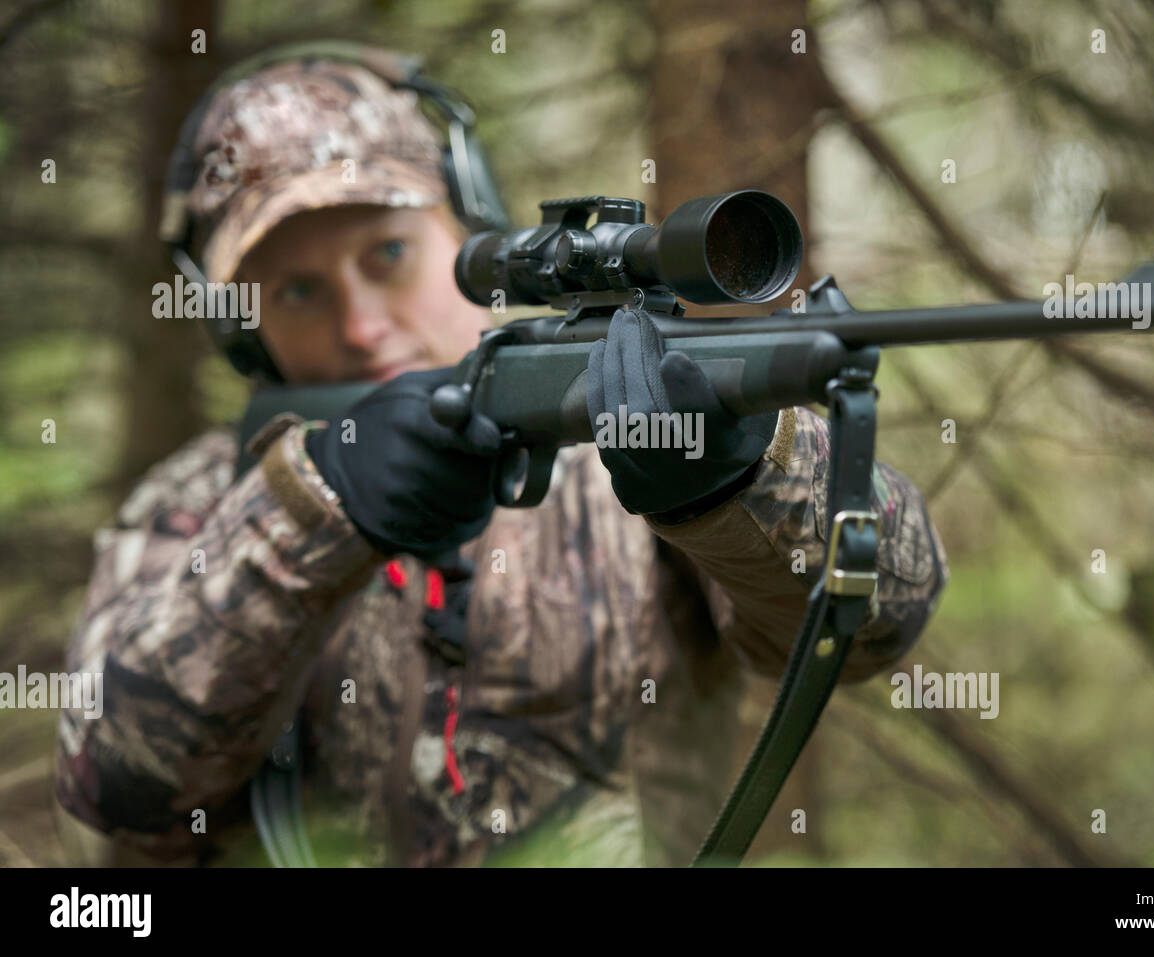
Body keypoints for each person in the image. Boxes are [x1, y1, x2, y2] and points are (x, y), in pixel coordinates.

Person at [53, 48, 948, 867]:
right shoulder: (205, 498)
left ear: (468, 228)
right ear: (241, 330)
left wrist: (744, 473)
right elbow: (111, 780)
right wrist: (318, 508)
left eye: (390, 254)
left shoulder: (610, 451)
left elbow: (880, 619)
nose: (363, 327)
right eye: (297, 290)